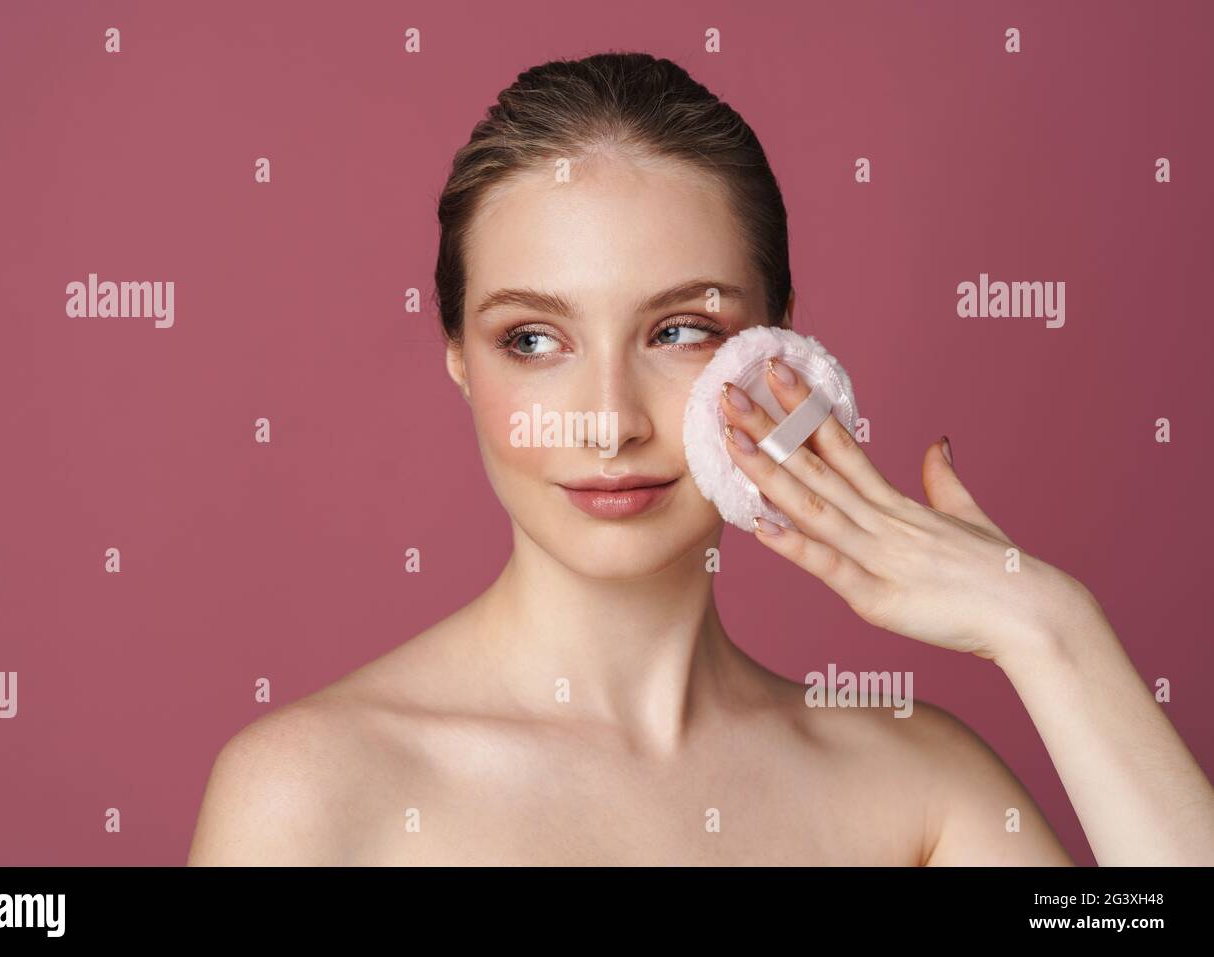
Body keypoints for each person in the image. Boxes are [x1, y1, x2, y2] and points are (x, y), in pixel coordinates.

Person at [187, 52, 1214, 866]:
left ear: (785, 350)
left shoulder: (917, 786)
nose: (607, 424)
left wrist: (1051, 633)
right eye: (533, 340)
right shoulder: (313, 793)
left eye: (680, 330)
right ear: (459, 358)